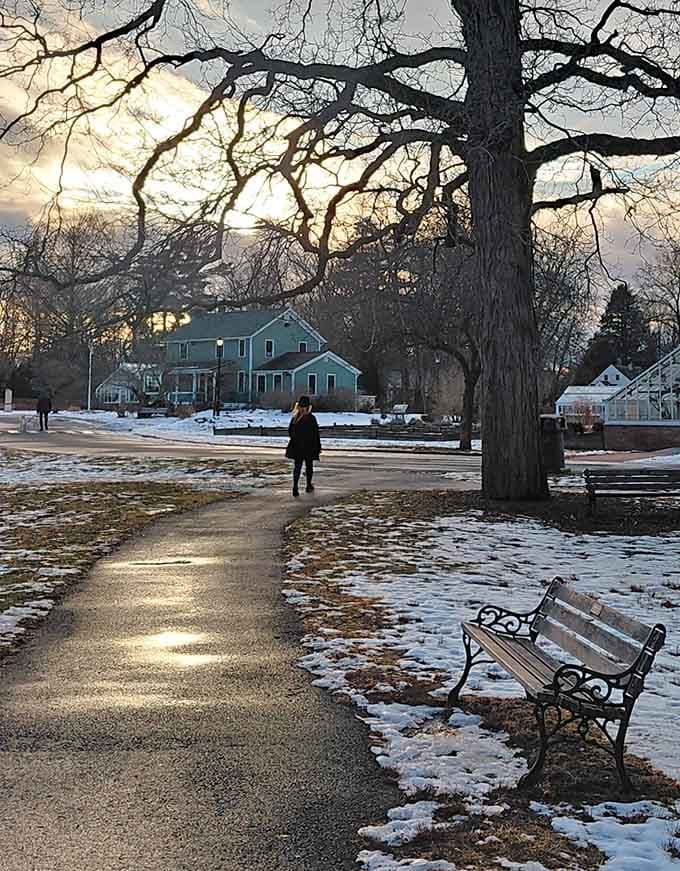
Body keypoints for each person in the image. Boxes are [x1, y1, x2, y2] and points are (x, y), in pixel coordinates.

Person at [285, 395, 321, 497]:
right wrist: (318, 447)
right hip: (309, 446)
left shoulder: (295, 418)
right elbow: (315, 434)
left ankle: (295, 486)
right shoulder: (311, 418)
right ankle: (308, 485)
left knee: (297, 466)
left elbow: (290, 432)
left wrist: (295, 441)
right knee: (309, 466)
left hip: (296, 446)